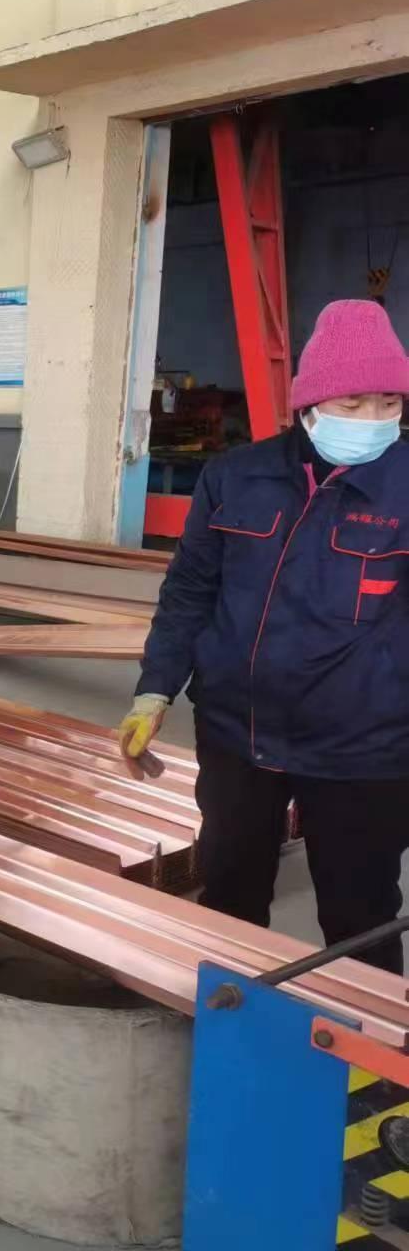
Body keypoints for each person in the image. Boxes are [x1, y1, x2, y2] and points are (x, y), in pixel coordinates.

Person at [120, 299, 409, 973]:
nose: (373, 419)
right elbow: (190, 592)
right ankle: (230, 1015)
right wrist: (155, 690)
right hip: (238, 737)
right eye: (354, 402)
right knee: (230, 894)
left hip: (363, 753)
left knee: (360, 917)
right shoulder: (235, 477)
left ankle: (368, 1040)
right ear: (310, 404)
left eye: (390, 402)